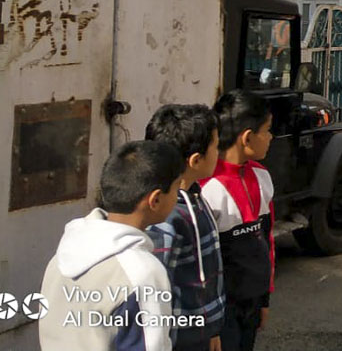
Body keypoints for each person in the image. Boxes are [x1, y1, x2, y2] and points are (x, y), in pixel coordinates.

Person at [40, 140, 184, 351]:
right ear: (155, 200)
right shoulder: (142, 272)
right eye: (175, 189)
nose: (177, 197)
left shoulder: (61, 256)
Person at [145, 104, 225, 351]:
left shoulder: (195, 197)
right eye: (215, 146)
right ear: (195, 160)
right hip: (178, 340)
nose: (219, 152)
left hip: (201, 331)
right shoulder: (165, 218)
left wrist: (211, 329)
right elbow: (154, 295)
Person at [201, 90, 275, 351]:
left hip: (252, 303)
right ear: (247, 137)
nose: (270, 137)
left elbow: (267, 241)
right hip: (222, 311)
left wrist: (265, 298)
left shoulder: (262, 177)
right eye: (267, 131)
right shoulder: (207, 188)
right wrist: (209, 325)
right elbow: (203, 267)